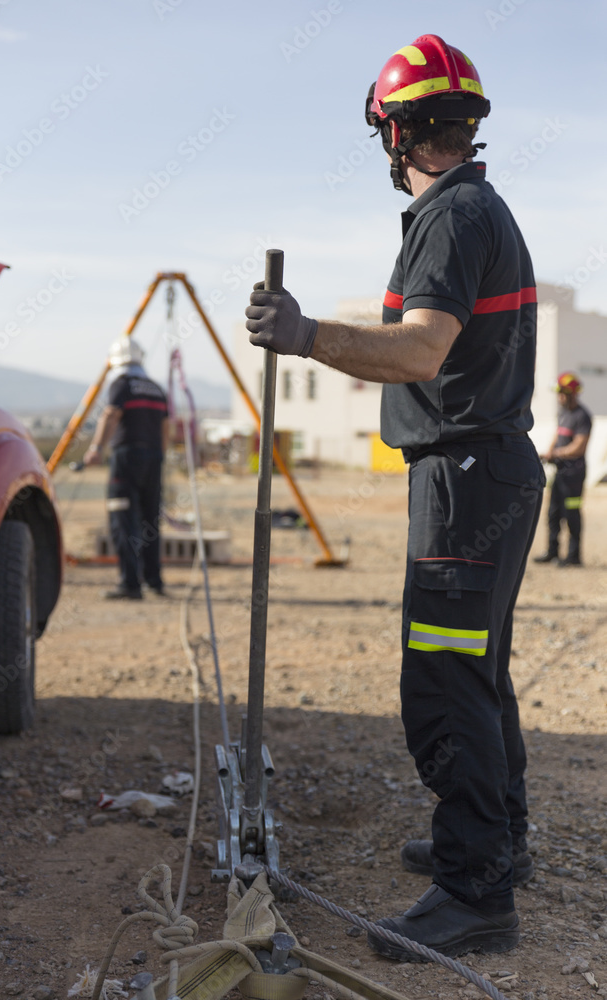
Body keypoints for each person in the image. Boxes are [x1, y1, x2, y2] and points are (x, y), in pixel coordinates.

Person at [245, 34, 546, 959]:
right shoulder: (472, 209)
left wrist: (302, 335)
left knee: (444, 681)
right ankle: (497, 843)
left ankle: (475, 893)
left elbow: (420, 351)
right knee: (477, 669)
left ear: (395, 135)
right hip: (482, 472)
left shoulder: (451, 218)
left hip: (463, 481)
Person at [84, 337, 169, 599]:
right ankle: (154, 580)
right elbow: (166, 427)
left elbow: (111, 415)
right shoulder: (156, 388)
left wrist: (96, 448)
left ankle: (130, 583)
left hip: (127, 457)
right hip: (154, 458)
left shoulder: (120, 385)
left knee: (122, 518)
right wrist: (160, 457)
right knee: (149, 520)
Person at [534, 372, 592, 567]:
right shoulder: (564, 414)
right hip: (560, 473)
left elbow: (579, 446)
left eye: (562, 393)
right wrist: (550, 451)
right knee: (553, 513)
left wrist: (556, 454)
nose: (559, 397)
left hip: (574, 475)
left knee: (572, 514)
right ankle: (552, 552)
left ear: (572, 394)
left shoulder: (582, 416)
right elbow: (556, 437)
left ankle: (574, 556)